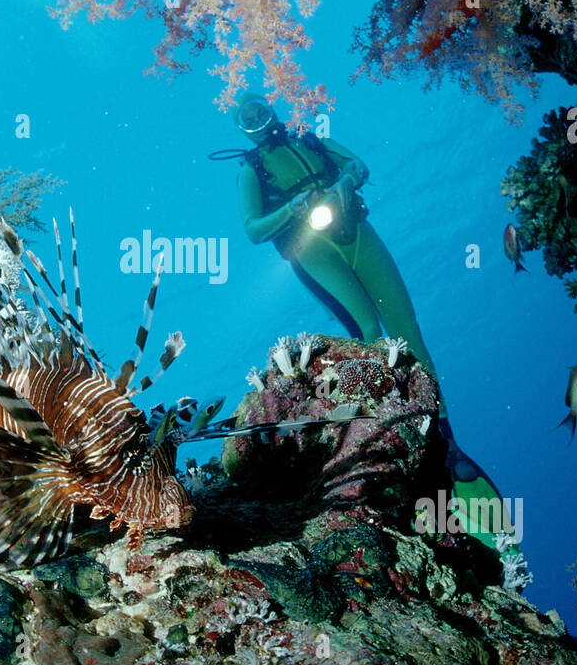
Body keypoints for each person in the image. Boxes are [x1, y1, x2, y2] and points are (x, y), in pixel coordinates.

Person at [218, 92, 516, 556]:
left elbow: (359, 165)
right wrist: (293, 210)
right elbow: (254, 230)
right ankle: (399, 448)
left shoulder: (311, 142)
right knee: (371, 336)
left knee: (408, 334)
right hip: (309, 246)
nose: (257, 119)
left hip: (356, 229)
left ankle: (446, 443)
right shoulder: (250, 170)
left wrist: (342, 186)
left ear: (272, 108)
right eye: (246, 117)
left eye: (260, 108)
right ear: (241, 128)